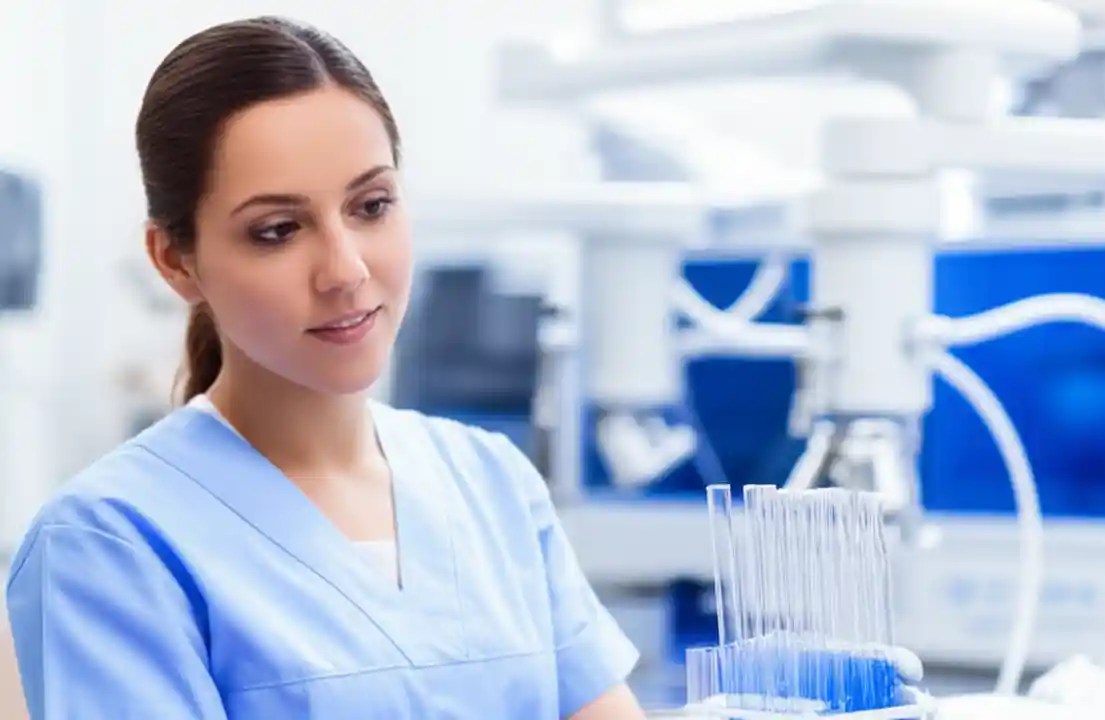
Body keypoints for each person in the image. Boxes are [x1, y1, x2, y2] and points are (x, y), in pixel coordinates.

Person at [4, 16, 646, 720]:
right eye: (277, 230)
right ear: (175, 261)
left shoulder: (493, 485)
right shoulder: (111, 543)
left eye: (371, 206)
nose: (346, 270)